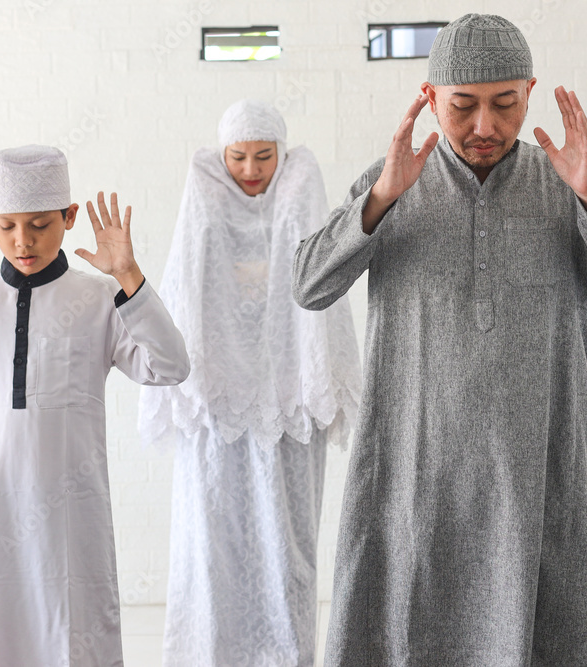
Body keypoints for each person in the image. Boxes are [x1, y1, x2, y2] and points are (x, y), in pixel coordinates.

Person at [292, 14, 587, 667]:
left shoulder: (565, 184)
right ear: (430, 99)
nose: (484, 126)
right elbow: (309, 285)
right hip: (414, 475)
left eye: (505, 104)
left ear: (531, 92)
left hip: (540, 477)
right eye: (463, 106)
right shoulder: (393, 179)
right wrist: (378, 200)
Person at [0, 144, 190, 667]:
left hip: (68, 518)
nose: (23, 241)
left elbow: (170, 367)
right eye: (8, 226)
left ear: (69, 218)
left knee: (72, 634)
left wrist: (129, 277)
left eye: (40, 225)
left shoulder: (99, 299)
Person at [139, 100, 361, 667]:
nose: (251, 168)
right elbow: (186, 289)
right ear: (222, 154)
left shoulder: (300, 191)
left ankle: (286, 655)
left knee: (287, 545)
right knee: (213, 538)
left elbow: (318, 289)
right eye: (238, 156)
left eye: (264, 156)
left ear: (282, 154)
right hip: (215, 402)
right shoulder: (204, 193)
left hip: (289, 401)